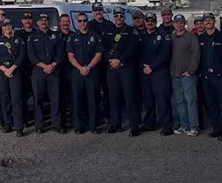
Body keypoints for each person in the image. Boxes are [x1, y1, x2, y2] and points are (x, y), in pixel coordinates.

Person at [102, 7, 141, 135]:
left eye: (121, 16)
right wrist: (110, 60)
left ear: (124, 17)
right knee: (113, 98)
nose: (118, 19)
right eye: (116, 16)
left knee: (130, 98)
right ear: (113, 17)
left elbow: (133, 48)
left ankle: (134, 126)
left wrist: (120, 60)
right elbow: (104, 48)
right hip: (112, 69)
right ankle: (115, 124)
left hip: (126, 68)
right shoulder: (108, 30)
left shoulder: (131, 31)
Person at [197, 13, 222, 142]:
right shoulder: (200, 38)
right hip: (206, 77)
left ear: (214, 21)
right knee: (211, 105)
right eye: (205, 20)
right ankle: (216, 128)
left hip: (220, 77)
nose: (208, 22)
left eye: (210, 20)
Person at [27, 13, 65, 134]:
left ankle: (57, 124)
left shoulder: (55, 36)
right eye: (41, 20)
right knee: (38, 100)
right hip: (39, 72)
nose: (43, 22)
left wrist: (52, 65)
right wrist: (45, 66)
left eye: (45, 20)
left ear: (48, 22)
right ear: (37, 23)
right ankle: (39, 125)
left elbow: (60, 54)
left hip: (54, 71)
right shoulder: (32, 38)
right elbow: (32, 56)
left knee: (56, 99)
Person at [67, 11, 104, 135]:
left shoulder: (95, 36)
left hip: (91, 71)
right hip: (77, 72)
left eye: (84, 20)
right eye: (80, 21)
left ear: (87, 22)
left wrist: (88, 67)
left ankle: (93, 125)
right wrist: (80, 68)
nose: (82, 23)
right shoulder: (72, 37)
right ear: (77, 23)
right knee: (77, 100)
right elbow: (70, 56)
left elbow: (98, 55)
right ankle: (79, 126)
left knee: (93, 99)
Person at [138, 12, 174, 136]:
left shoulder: (163, 35)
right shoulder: (141, 36)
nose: (149, 22)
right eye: (147, 20)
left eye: (152, 20)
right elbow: (136, 53)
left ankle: (166, 125)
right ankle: (150, 122)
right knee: (148, 100)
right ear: (144, 22)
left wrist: (152, 67)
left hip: (159, 71)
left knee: (162, 99)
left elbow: (165, 55)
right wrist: (143, 66)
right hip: (144, 72)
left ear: (155, 21)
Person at [0, 20, 27, 136]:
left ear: (12, 26)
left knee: (16, 99)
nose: (7, 28)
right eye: (4, 26)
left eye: (9, 25)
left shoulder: (18, 40)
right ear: (2, 28)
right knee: (4, 99)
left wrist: (12, 69)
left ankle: (19, 127)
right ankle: (7, 124)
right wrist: (5, 70)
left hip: (15, 71)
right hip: (2, 72)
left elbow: (21, 55)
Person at [169, 14, 201, 136]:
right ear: (173, 24)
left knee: (191, 102)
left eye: (181, 22)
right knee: (179, 102)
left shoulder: (191, 37)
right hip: (175, 76)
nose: (179, 24)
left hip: (188, 76)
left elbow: (196, 54)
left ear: (185, 23)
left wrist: (191, 70)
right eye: (176, 22)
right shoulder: (171, 38)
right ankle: (184, 125)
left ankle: (194, 127)